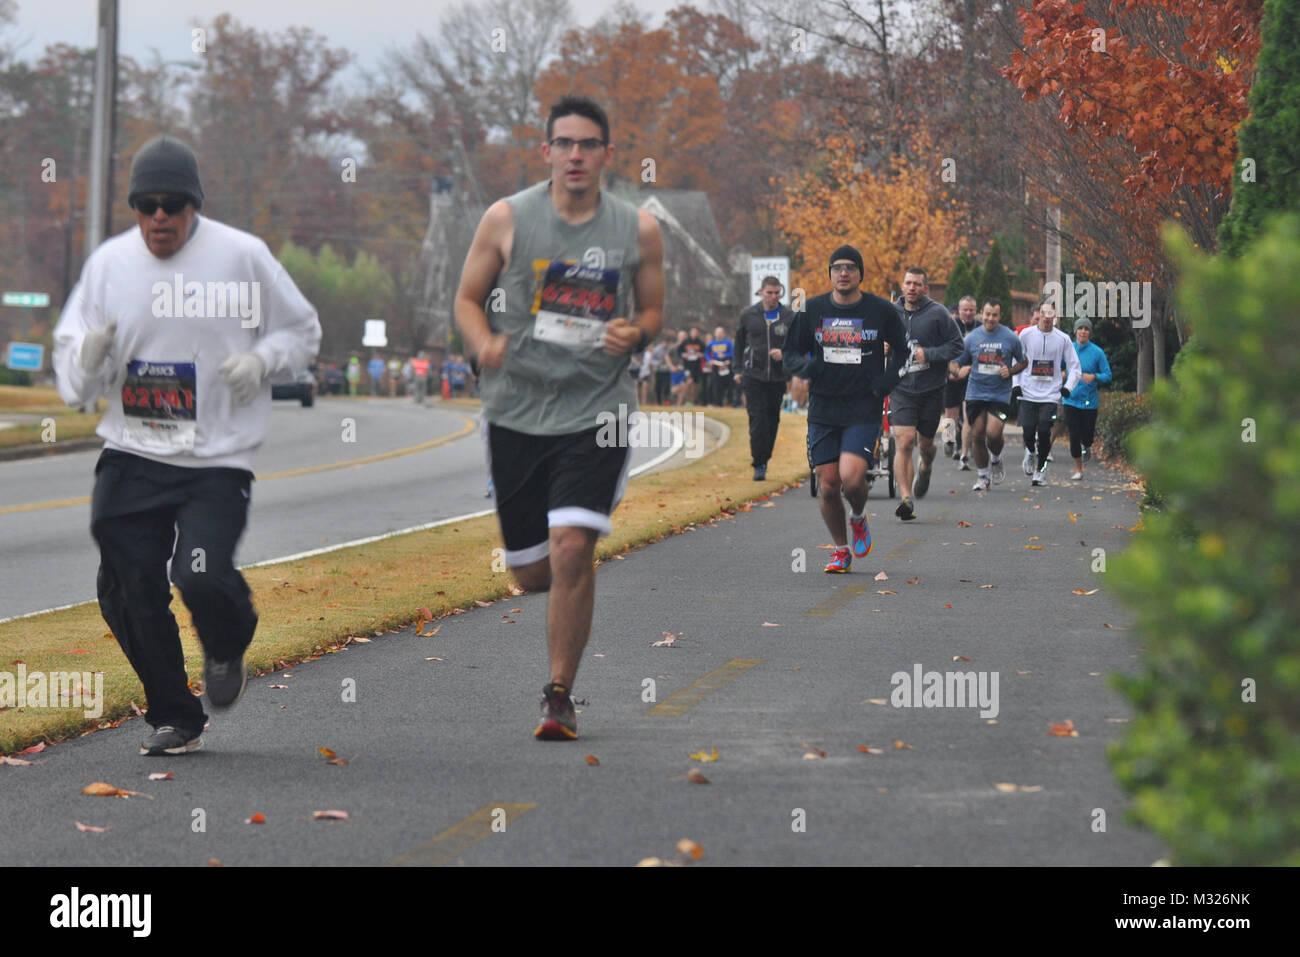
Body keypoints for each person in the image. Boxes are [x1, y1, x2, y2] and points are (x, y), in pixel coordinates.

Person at [52, 135, 321, 756]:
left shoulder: (242, 257)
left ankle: (228, 641)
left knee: (198, 574)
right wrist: (86, 359)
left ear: (194, 206)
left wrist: (262, 359)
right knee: (124, 587)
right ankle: (175, 715)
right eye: (146, 205)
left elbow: (301, 330)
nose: (160, 218)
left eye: (173, 205)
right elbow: (73, 382)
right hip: (133, 449)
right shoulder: (110, 265)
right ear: (135, 207)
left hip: (214, 458)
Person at [453, 95, 664, 741]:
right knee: (531, 573)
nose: (576, 154)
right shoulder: (507, 219)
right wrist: (483, 341)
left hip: (597, 410)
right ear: (546, 151)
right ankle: (560, 589)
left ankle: (558, 695)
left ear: (605, 153)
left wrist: (634, 331)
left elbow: (654, 314)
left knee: (573, 548)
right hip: (517, 410)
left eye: (589, 144)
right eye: (564, 143)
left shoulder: (638, 229)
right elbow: (466, 299)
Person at [784, 245, 908, 572]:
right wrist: (807, 369)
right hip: (824, 407)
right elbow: (791, 353)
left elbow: (903, 353)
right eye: (837, 267)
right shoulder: (811, 310)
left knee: (851, 479)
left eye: (850, 267)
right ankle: (840, 550)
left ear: (859, 274)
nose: (843, 273)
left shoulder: (880, 310)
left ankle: (857, 517)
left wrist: (883, 384)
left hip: (862, 406)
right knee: (827, 483)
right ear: (830, 274)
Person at [890, 266, 965, 521]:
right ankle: (905, 498)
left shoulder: (938, 314)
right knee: (904, 441)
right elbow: (874, 342)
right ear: (902, 285)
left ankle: (927, 465)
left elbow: (958, 345)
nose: (912, 288)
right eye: (908, 283)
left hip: (931, 389)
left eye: (917, 284)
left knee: (925, 444)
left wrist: (930, 354)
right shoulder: (891, 313)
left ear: (925, 288)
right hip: (901, 387)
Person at [952, 300, 1027, 491]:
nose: (990, 318)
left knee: (993, 435)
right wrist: (957, 371)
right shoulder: (971, 338)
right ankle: (983, 476)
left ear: (1000, 316)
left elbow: (1024, 361)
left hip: (1000, 395)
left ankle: (995, 457)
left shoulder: (1010, 337)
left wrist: (1010, 371)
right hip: (975, 393)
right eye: (987, 314)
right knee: (977, 435)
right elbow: (955, 361)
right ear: (981, 314)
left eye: (994, 315)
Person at [1016, 303, 1081, 486]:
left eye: (1050, 314)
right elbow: (1016, 360)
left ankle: (1040, 471)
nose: (1046, 317)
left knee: (1044, 431)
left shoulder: (1063, 339)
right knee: (1028, 431)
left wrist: (1068, 387)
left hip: (1050, 394)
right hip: (1028, 392)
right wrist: (1016, 385)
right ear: (1039, 315)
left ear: (1055, 316)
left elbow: (1075, 367)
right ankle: (1030, 452)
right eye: (1043, 314)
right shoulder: (1026, 335)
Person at [735, 276, 792, 480]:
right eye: (769, 292)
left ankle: (765, 457)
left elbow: (796, 345)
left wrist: (784, 354)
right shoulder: (748, 314)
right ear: (761, 292)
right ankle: (759, 463)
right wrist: (738, 369)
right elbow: (739, 343)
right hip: (753, 375)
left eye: (777, 293)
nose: (773, 296)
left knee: (772, 420)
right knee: (757, 419)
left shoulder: (788, 316)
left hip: (777, 377)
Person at [1063, 317, 1112, 480]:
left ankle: (1088, 446)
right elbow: (1059, 367)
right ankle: (1078, 469)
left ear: (1090, 332)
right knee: (1074, 434)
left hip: (1089, 402)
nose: (1083, 331)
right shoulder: (1068, 349)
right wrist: (1062, 374)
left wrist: (1094, 376)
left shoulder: (1097, 352)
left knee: (1087, 435)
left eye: (1086, 329)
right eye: (1080, 328)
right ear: (1075, 331)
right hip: (1070, 399)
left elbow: (1108, 375)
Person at [944, 296, 979, 466]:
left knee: (967, 414)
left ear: (976, 311)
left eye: (971, 309)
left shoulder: (980, 327)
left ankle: (964, 448)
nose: (968, 313)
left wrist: (969, 369)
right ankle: (949, 441)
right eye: (965, 309)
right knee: (951, 414)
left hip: (971, 375)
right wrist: (952, 371)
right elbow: (944, 350)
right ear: (959, 310)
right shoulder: (950, 325)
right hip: (951, 374)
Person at [704, 325, 733, 408]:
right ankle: (718, 403)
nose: (719, 334)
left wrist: (725, 355)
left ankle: (729, 401)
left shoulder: (728, 342)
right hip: (716, 365)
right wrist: (710, 360)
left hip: (726, 365)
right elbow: (706, 354)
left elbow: (732, 353)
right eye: (717, 332)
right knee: (716, 385)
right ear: (715, 333)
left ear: (724, 334)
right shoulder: (711, 343)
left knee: (729, 384)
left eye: (721, 332)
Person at [677, 326, 706, 405]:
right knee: (689, 382)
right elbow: (679, 352)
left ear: (698, 334)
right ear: (690, 333)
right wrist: (684, 355)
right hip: (687, 366)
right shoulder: (686, 342)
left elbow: (705, 353)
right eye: (693, 332)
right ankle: (681, 402)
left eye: (696, 332)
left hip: (697, 366)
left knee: (695, 385)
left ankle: (692, 401)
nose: (694, 334)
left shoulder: (700, 343)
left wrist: (701, 355)